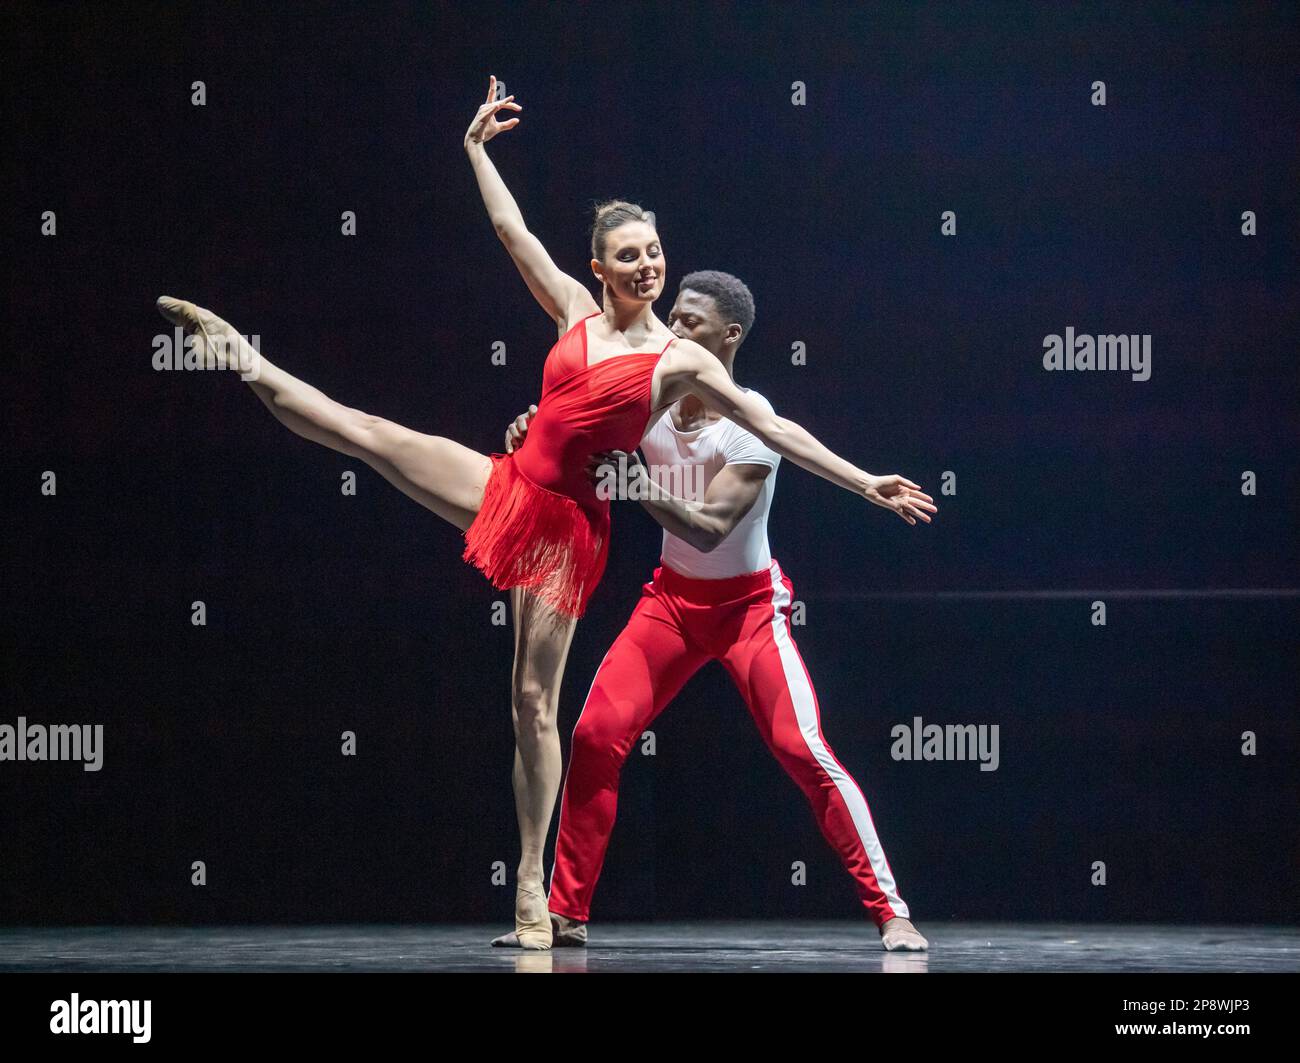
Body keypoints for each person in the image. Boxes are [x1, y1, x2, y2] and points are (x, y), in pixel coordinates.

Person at [155, 76, 934, 949]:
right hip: (510, 486)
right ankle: (241, 358)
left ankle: (532, 886)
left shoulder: (681, 361)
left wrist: (867, 480)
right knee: (368, 434)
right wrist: (476, 150)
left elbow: (774, 427)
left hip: (567, 534)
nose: (648, 265)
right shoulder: (571, 307)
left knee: (532, 702)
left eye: (655, 251)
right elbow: (510, 232)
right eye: (630, 255)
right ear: (599, 267)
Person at [492, 272, 931, 952]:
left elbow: (707, 526)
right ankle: (566, 912)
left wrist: (865, 482)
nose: (673, 328)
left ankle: (891, 910)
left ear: (729, 337)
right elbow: (570, 425)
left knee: (801, 749)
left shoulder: (744, 428)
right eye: (673, 314)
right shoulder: (653, 394)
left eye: (690, 322)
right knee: (592, 736)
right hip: (671, 603)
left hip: (749, 609)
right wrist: (535, 428)